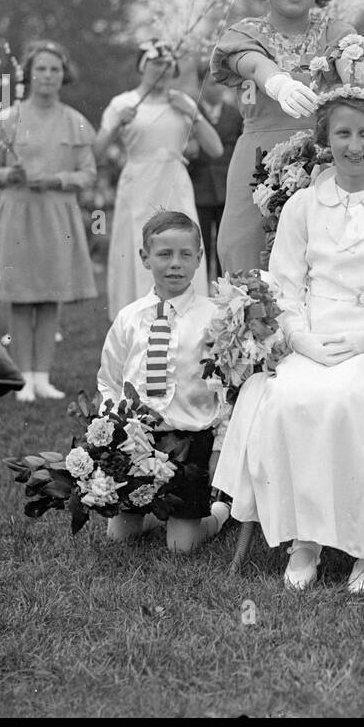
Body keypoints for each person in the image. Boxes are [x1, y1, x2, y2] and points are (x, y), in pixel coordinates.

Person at [213, 86, 364, 593]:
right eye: (343, 134)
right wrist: (300, 339)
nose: (354, 146)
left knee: (354, 400)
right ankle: (305, 537)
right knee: (290, 397)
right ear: (325, 139)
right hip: (312, 331)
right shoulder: (305, 205)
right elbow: (283, 283)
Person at [209, 0, 364, 273]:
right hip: (258, 162)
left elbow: (353, 62)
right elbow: (253, 63)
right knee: (245, 255)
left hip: (323, 162)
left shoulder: (337, 33)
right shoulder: (243, 33)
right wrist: (277, 83)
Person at [99, 210, 231, 552]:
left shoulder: (213, 317)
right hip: (137, 441)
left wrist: (220, 445)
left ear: (200, 258)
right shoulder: (129, 318)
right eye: (164, 254)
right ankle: (161, 511)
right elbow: (110, 381)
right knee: (119, 536)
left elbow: (228, 389)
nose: (176, 264)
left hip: (191, 440)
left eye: (186, 254)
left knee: (181, 547)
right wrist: (110, 433)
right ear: (145, 258)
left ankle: (218, 512)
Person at [0, 41, 97, 402]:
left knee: (50, 296)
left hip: (55, 212)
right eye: (41, 69)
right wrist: (8, 174)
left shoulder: (75, 121)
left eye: (55, 69)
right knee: (21, 295)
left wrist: (58, 180)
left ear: (64, 75)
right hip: (18, 212)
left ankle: (42, 375)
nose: (47, 76)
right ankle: (22, 377)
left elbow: (88, 174)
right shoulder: (8, 119)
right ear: (29, 74)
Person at [95, 40, 222, 319]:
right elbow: (96, 153)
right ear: (143, 67)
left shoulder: (183, 103)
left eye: (168, 65)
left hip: (174, 183)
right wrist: (117, 124)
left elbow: (215, 149)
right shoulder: (123, 103)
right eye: (156, 64)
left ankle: (187, 316)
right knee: (139, 245)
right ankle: (135, 318)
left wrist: (192, 115)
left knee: (181, 241)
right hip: (138, 183)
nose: (163, 70)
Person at [186, 69, 244, 282]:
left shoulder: (235, 113)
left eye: (221, 83)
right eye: (212, 83)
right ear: (200, 85)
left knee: (225, 244)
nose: (218, 88)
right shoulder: (191, 114)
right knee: (199, 242)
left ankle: (224, 289)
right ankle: (201, 286)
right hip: (198, 189)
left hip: (226, 189)